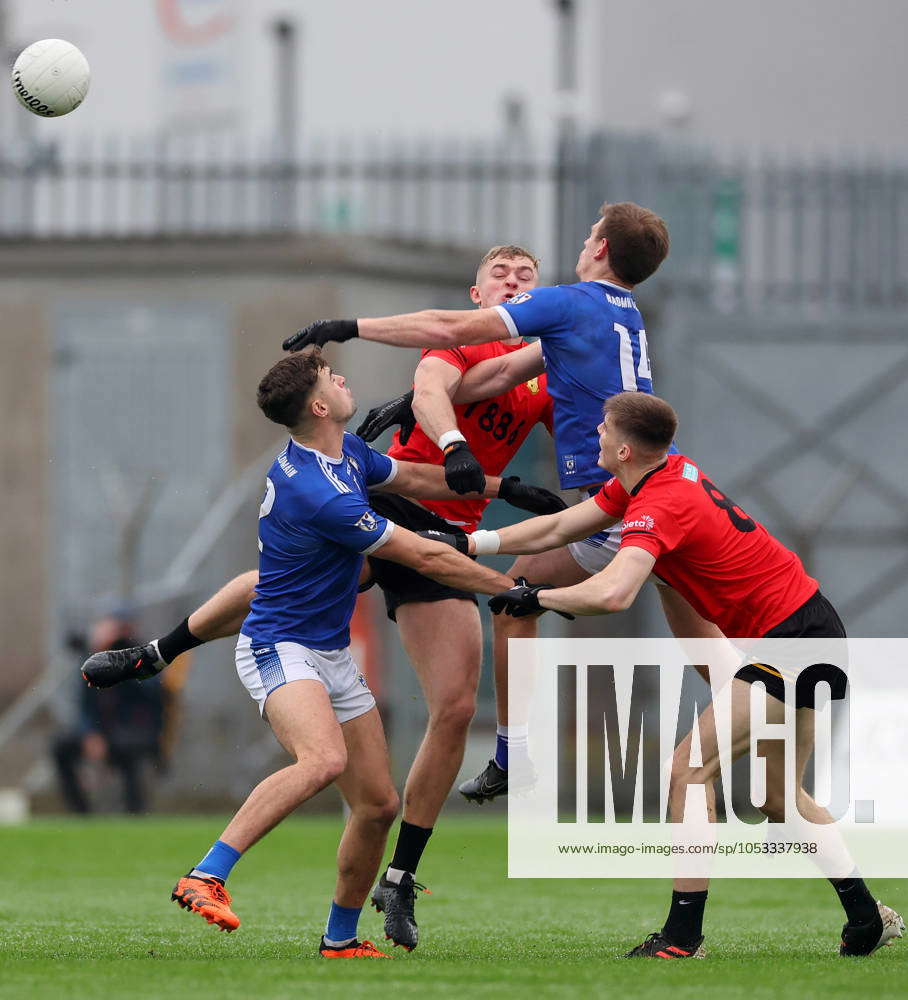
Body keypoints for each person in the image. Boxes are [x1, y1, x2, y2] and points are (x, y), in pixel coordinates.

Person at [83, 347, 561, 957]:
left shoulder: (344, 455)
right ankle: (206, 875)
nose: (343, 378)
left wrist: (507, 487)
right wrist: (518, 590)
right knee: (321, 761)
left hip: (329, 654)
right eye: (331, 377)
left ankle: (339, 939)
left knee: (379, 804)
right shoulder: (321, 491)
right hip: (279, 648)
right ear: (318, 405)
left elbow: (413, 477)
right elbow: (423, 555)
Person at [433, 391, 904, 959]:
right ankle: (865, 918)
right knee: (777, 796)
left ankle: (682, 938)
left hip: (795, 645)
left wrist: (530, 594)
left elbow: (614, 592)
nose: (595, 437)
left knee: (689, 769)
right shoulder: (654, 477)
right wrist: (471, 543)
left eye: (604, 430)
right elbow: (560, 528)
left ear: (626, 448)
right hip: (809, 631)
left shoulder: (658, 504)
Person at [287, 201, 726, 803]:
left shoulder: (571, 303)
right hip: (660, 489)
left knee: (519, 592)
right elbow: (480, 377)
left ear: (599, 249)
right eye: (502, 274)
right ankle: (775, 713)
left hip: (625, 505)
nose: (516, 281)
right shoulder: (621, 315)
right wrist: (416, 398)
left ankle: (515, 753)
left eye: (590, 234)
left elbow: (447, 328)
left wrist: (349, 327)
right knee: (709, 657)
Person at [53, 613, 165, 814]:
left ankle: (134, 813)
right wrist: (90, 734)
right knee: (60, 746)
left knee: (128, 750)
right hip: (101, 731)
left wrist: (124, 660)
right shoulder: (93, 660)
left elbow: (152, 693)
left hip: (133, 730)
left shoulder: (143, 655)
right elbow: (85, 705)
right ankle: (81, 813)